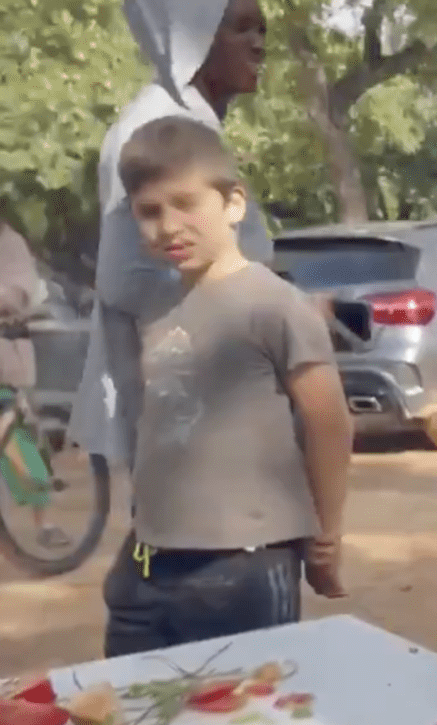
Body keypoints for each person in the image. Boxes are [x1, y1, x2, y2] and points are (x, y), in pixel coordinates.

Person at [100, 116, 351, 657]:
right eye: (149, 212)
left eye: (186, 203)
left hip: (247, 566)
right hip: (149, 561)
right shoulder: (155, 308)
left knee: (251, 719)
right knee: (136, 716)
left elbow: (328, 420)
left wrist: (326, 534)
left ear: (234, 203)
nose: (168, 226)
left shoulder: (274, 304)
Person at [70, 0, 273, 469]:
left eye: (262, 30)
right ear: (194, 37)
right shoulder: (158, 128)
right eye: (241, 28)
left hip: (205, 401)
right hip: (177, 411)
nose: (259, 45)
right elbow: (125, 279)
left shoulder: (193, 123)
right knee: (173, 539)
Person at [0, 223, 70, 550]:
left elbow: (18, 293)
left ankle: (45, 524)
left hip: (5, 362)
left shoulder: (8, 242)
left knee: (19, 444)